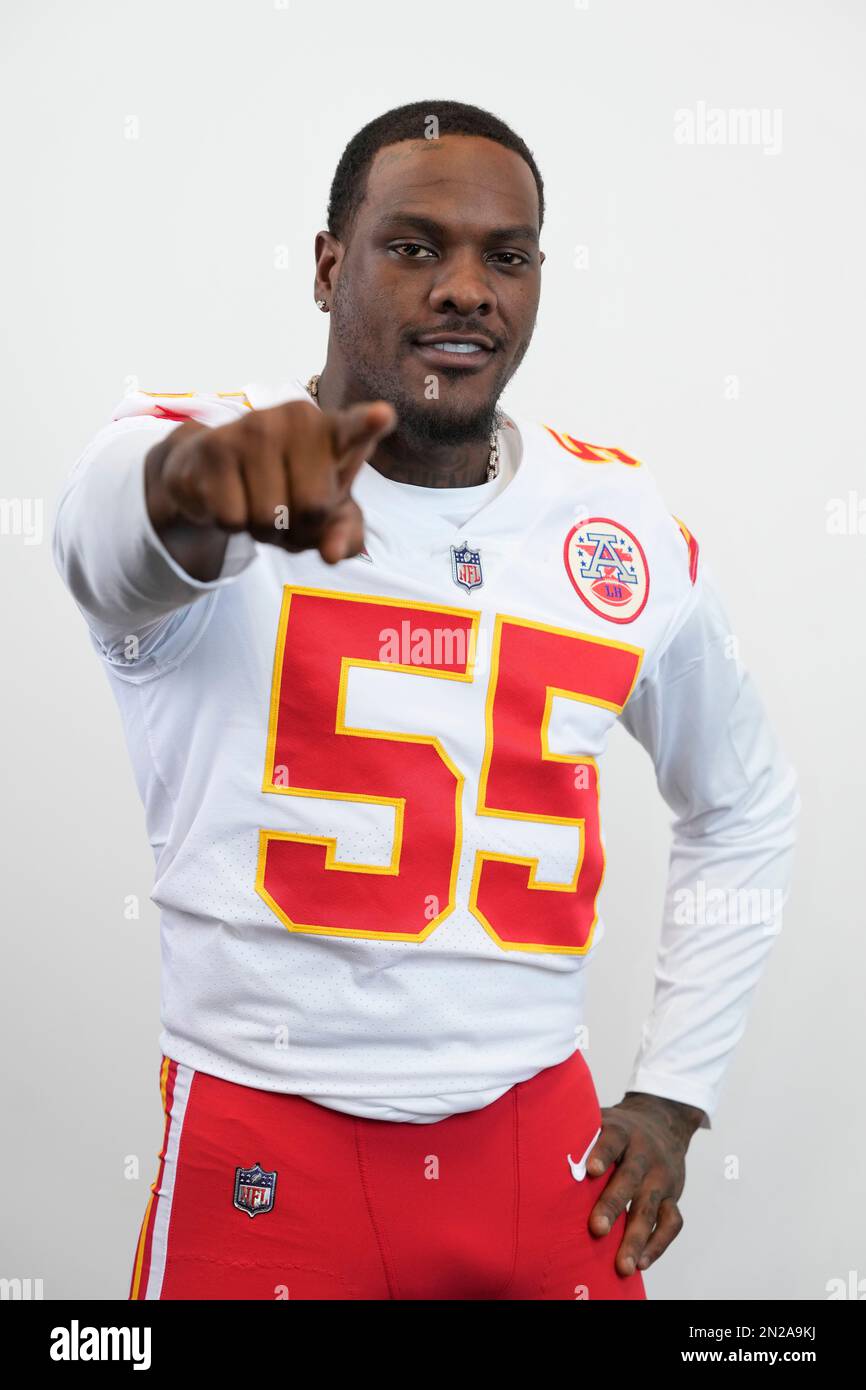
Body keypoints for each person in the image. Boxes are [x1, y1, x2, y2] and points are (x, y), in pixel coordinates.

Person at [52, 100, 799, 1301]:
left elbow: (743, 802)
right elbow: (105, 537)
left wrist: (675, 1090)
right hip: (266, 1137)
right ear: (328, 264)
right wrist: (201, 493)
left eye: (504, 257)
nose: (465, 287)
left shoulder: (620, 522)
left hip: (537, 1133)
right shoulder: (209, 453)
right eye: (414, 247)